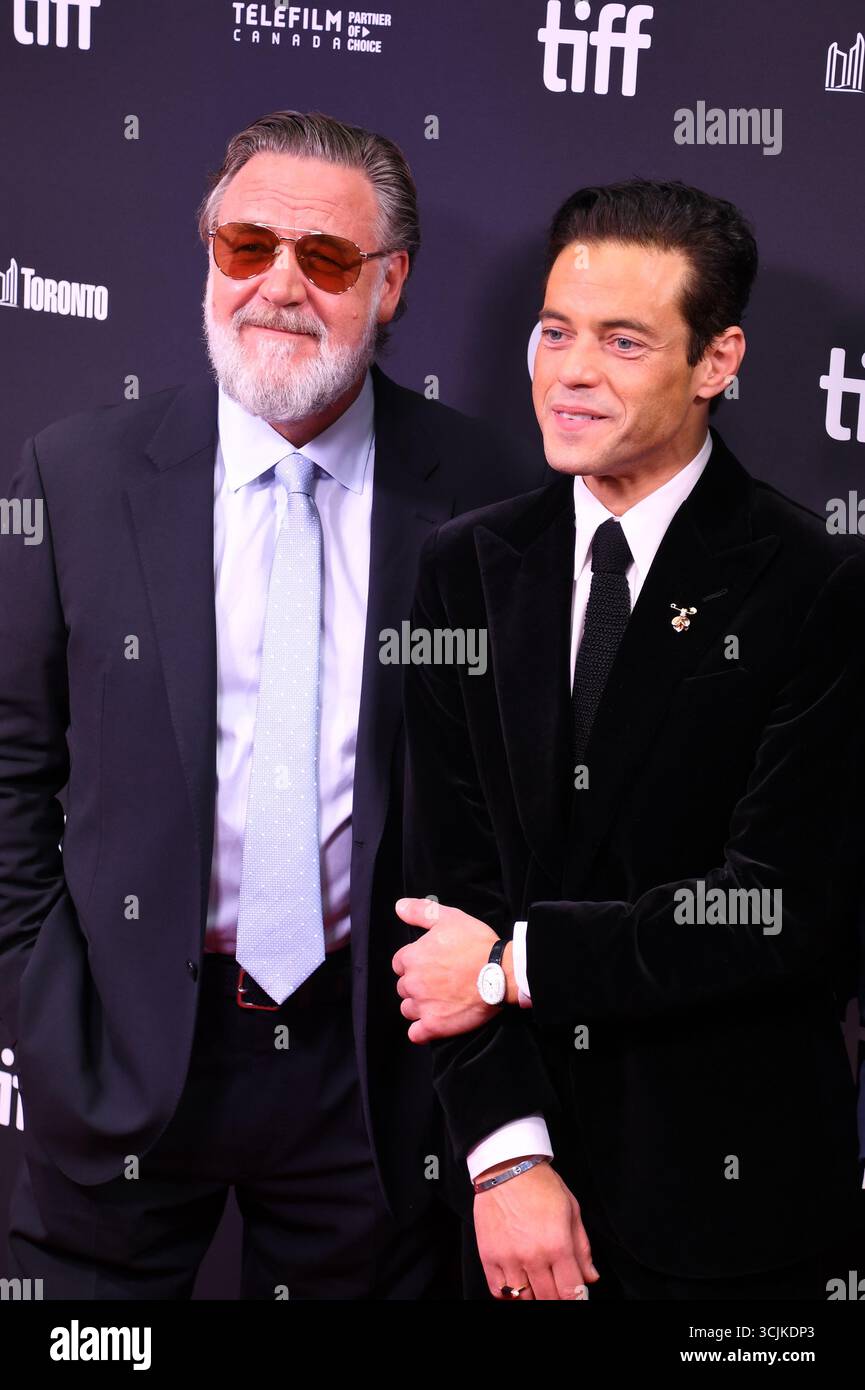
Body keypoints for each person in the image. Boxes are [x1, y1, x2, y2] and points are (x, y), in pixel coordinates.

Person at [0, 109, 543, 1299]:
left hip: (370, 1073)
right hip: (119, 1050)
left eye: (326, 258)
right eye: (247, 246)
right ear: (210, 257)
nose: (279, 286)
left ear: (389, 284)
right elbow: (13, 763)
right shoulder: (76, 476)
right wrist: (44, 1004)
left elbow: (517, 798)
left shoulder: (489, 492)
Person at [393, 178, 865, 1300]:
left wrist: (513, 965)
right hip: (508, 1206)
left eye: (621, 341)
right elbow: (443, 897)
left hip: (730, 1220)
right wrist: (507, 1157)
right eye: (554, 331)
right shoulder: (464, 567)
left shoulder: (816, 586)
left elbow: (772, 910)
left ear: (715, 361)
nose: (569, 372)